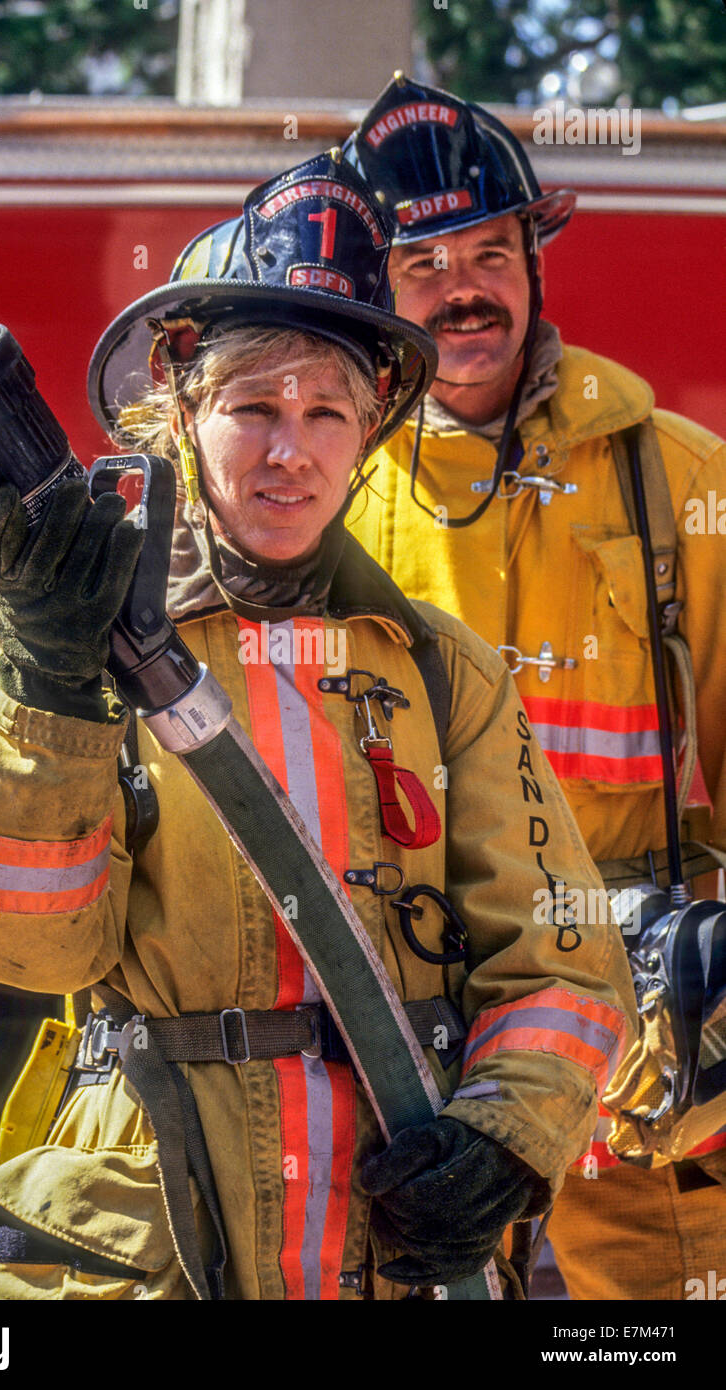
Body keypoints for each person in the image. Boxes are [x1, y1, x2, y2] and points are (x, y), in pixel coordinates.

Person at [0, 153, 634, 1301]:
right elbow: (24, 942)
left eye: (325, 412)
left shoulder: (444, 673)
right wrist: (50, 685)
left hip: (385, 1240)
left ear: (371, 429)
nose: (289, 450)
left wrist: (503, 1137)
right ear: (180, 410)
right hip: (142, 1241)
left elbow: (564, 964)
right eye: (252, 407)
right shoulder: (67, 633)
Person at [343, 73, 726, 1301]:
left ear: (533, 263)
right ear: (370, 288)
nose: (464, 287)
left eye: (491, 252)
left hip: (644, 1036)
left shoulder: (676, 484)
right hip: (413, 1034)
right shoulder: (323, 493)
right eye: (422, 263)